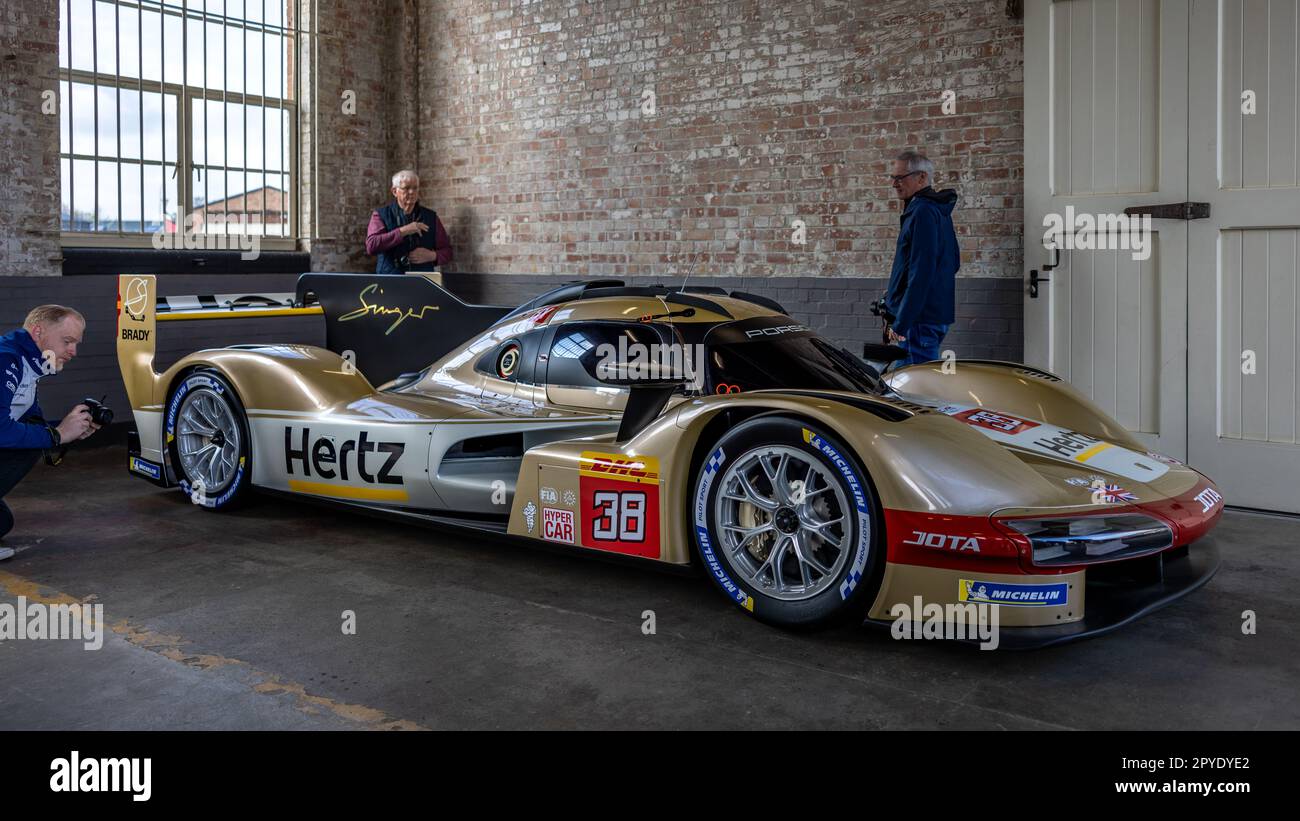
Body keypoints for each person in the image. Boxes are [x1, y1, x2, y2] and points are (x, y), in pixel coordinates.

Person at [0, 305, 99, 559]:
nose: (73, 352)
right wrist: (56, 435)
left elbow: (30, 421)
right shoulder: (5, 360)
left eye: (76, 344)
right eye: (67, 341)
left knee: (2, 522)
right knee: (31, 442)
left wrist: (71, 429)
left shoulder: (27, 365)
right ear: (37, 332)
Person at [882, 150, 960, 366]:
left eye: (900, 178)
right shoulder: (937, 209)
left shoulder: (922, 212)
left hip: (918, 321)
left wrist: (901, 324)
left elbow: (921, 273)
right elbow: (953, 261)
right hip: (931, 317)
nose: (894, 184)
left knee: (916, 387)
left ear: (922, 177)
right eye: (892, 177)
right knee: (911, 380)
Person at [365, 169, 454, 275]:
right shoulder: (380, 215)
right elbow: (371, 246)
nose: (412, 192)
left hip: (422, 281)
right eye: (406, 188)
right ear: (394, 191)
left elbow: (447, 252)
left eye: (415, 188)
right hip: (389, 281)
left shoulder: (431, 217)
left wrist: (432, 255)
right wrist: (404, 231)